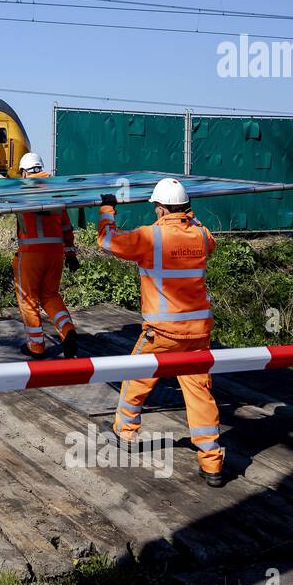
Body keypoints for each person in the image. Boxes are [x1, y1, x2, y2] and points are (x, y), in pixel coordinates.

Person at [97, 177, 225, 488]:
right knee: (199, 392)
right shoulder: (201, 236)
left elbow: (106, 241)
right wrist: (187, 217)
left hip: (163, 331)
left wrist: (107, 209)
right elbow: (208, 237)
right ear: (186, 209)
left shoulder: (149, 237)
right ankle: (212, 462)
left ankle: (125, 431)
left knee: (136, 376)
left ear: (159, 209)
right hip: (198, 332)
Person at [13, 153, 81, 359]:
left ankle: (36, 347)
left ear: (25, 171)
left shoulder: (20, 188)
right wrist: (70, 253)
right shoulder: (56, 190)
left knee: (28, 299)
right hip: (55, 253)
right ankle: (68, 331)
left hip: (30, 254)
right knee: (50, 296)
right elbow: (67, 226)